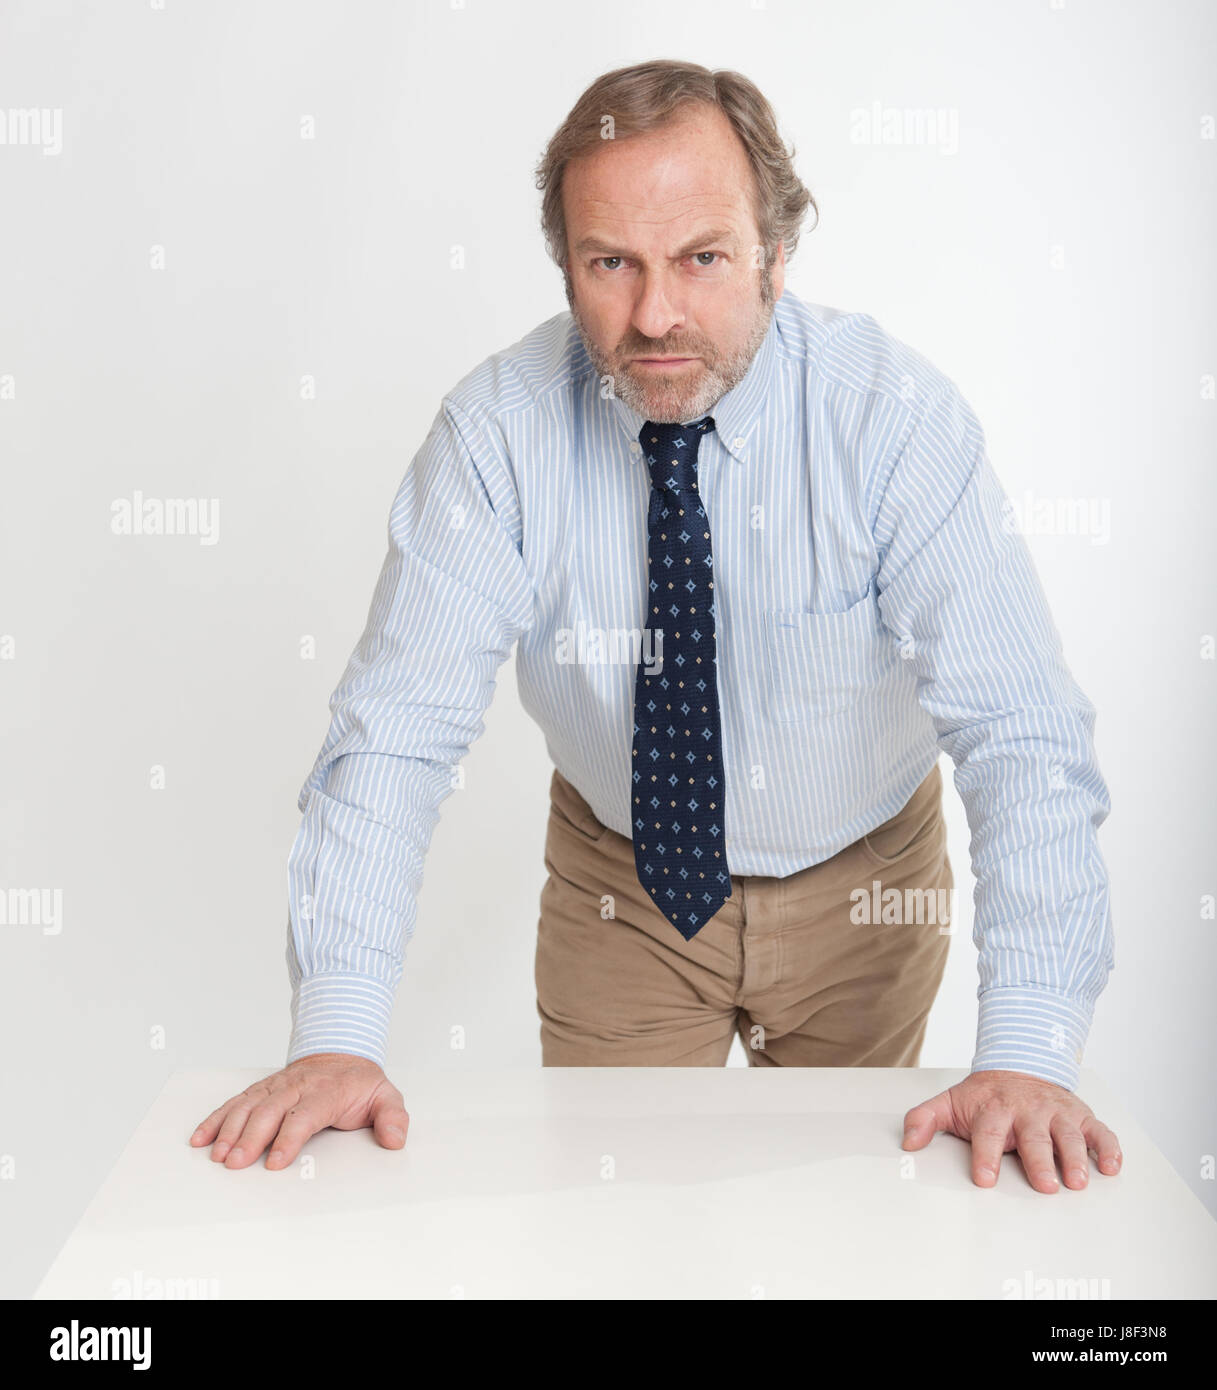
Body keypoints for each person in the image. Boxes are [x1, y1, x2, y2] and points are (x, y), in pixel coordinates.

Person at [191, 59, 1122, 1194]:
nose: (653, 315)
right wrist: (336, 1032)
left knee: (839, 1228)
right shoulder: (497, 437)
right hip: (619, 886)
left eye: (701, 259)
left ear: (776, 256)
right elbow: (394, 732)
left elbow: (1018, 730)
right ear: (566, 264)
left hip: (864, 883)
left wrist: (1027, 1053)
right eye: (609, 263)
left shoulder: (891, 423)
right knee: (612, 1224)